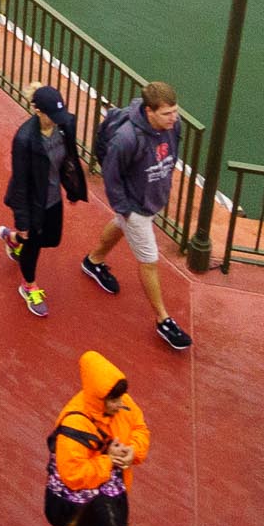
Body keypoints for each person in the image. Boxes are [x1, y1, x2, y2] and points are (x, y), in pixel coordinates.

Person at [81, 82, 193, 352]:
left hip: (152, 198)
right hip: (136, 208)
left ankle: (93, 261)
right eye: (167, 114)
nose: (174, 118)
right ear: (149, 111)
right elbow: (111, 175)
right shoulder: (127, 138)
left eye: (175, 112)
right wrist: (126, 210)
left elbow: (171, 152)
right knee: (149, 261)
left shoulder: (173, 127)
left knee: (119, 227)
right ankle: (163, 319)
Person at [1, 85, 89, 317]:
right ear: (38, 111)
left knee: (51, 239)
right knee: (34, 244)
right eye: (52, 115)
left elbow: (69, 158)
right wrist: (22, 222)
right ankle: (28, 285)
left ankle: (12, 239)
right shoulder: (24, 139)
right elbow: (20, 182)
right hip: (32, 201)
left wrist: (73, 188)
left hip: (52, 197)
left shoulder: (63, 125)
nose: (57, 120)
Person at [49, 351, 150, 526]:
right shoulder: (74, 425)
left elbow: (139, 428)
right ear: (99, 399)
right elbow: (73, 474)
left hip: (109, 497)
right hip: (83, 508)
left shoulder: (122, 401)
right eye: (114, 400)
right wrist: (109, 461)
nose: (120, 404)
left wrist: (134, 450)